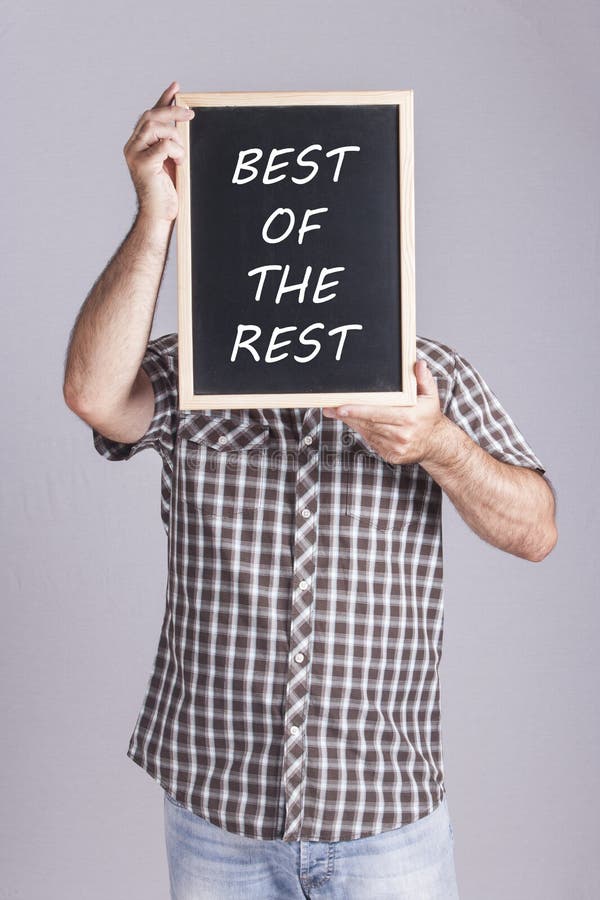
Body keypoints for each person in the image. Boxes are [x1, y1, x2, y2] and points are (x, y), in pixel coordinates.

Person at [63, 82, 558, 900]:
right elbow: (93, 395)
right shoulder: (195, 373)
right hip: (218, 811)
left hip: (385, 815)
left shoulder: (428, 379)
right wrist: (156, 216)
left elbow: (536, 529)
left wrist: (437, 442)